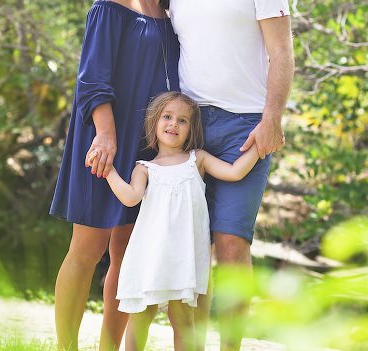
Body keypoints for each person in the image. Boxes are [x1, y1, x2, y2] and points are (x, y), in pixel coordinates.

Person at [49, 0, 191, 351]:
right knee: (86, 249)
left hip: (144, 148)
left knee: (127, 256)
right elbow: (92, 77)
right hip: (104, 136)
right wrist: (106, 136)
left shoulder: (172, 16)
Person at [168, 0, 295, 351]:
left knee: (231, 244)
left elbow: (281, 53)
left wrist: (272, 119)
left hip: (246, 126)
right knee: (191, 248)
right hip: (189, 129)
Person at [96, 91, 259, 351]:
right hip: (151, 254)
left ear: (191, 129)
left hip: (184, 258)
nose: (174, 124)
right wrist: (109, 171)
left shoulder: (198, 159)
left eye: (182, 121)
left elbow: (235, 172)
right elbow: (130, 197)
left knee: (183, 320)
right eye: (168, 117)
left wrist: (260, 144)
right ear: (155, 122)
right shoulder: (144, 168)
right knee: (141, 316)